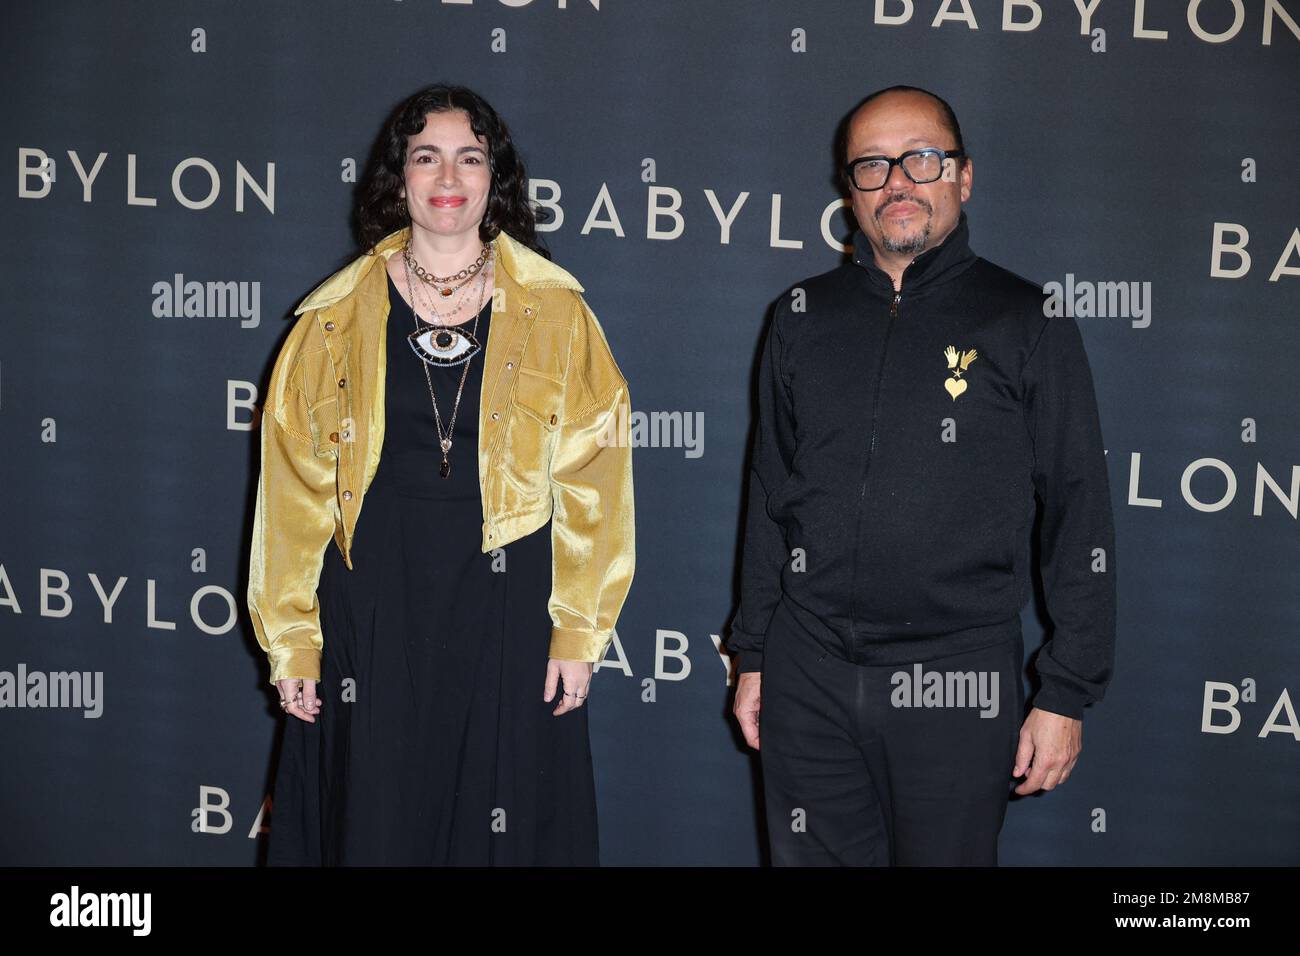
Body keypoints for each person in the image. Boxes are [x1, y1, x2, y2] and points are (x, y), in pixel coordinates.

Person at [246, 84, 635, 865]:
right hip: (372, 599)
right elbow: (292, 494)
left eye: (469, 157)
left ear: (496, 179)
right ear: (399, 178)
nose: (448, 176)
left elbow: (598, 481)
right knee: (377, 810)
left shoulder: (559, 313)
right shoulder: (330, 318)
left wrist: (578, 631)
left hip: (510, 600)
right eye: (427, 157)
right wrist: (294, 643)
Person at [727, 85, 1116, 866]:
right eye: (872, 165)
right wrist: (756, 654)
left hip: (957, 679)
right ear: (850, 190)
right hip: (807, 672)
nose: (897, 180)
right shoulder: (799, 315)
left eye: (922, 158)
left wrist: (1066, 691)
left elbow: (1079, 514)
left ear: (963, 178)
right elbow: (770, 493)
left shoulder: (1027, 320)